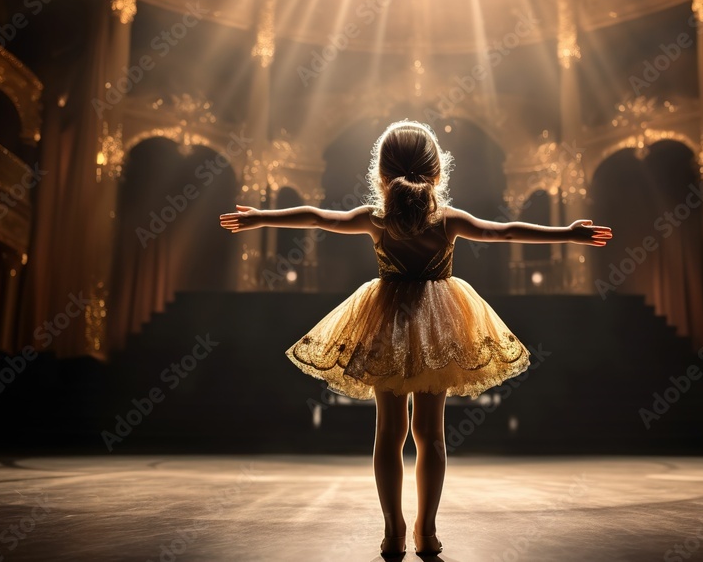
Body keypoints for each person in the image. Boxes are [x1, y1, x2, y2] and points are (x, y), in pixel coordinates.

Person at [219, 120, 612, 557]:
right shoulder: (447, 221)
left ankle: (393, 531)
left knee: (389, 431)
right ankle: (426, 531)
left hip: (386, 321)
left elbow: (316, 216)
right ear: (437, 171)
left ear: (382, 174)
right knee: (432, 434)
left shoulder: (377, 221)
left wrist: (260, 218)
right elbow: (505, 231)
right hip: (439, 324)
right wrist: (569, 234)